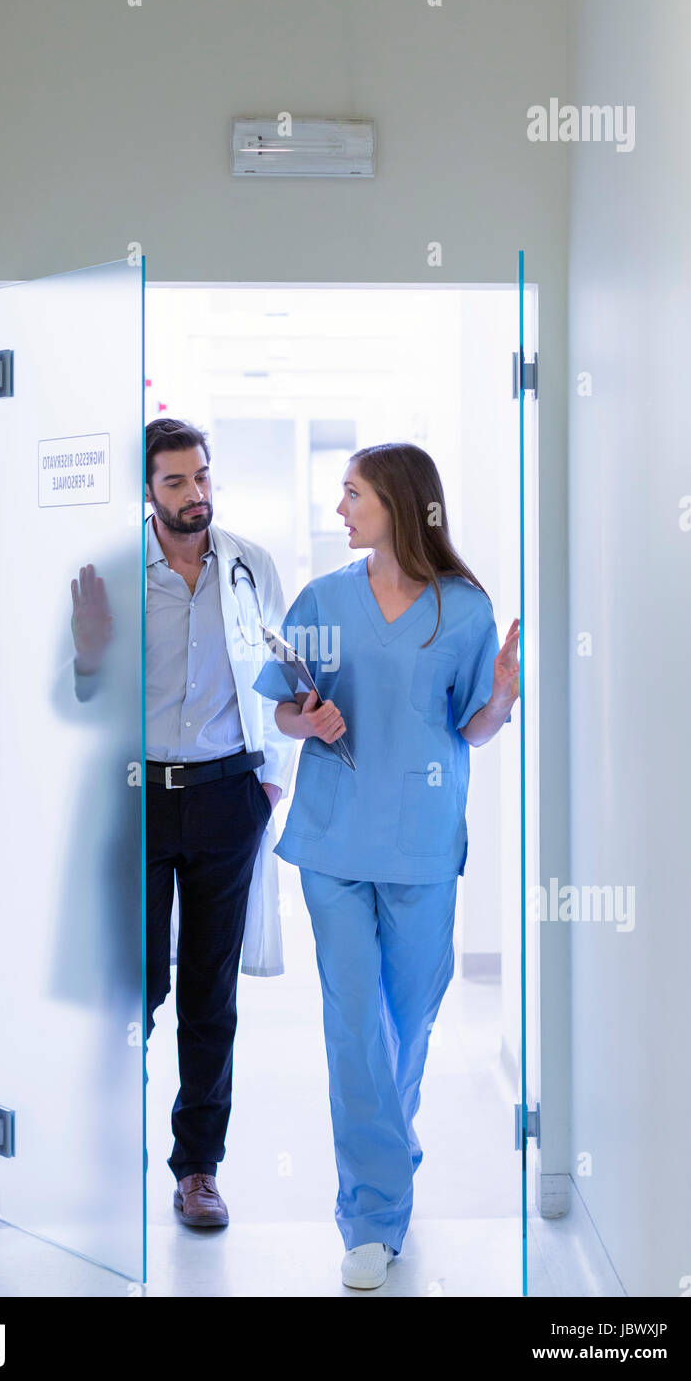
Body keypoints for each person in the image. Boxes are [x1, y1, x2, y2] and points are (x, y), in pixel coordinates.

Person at [252, 441, 519, 1289]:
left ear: (399, 504)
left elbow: (471, 728)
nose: (338, 510)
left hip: (422, 844)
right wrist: (311, 722)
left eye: (352, 494)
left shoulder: (464, 610)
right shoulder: (322, 600)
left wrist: (504, 693)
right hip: (332, 843)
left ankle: (388, 1143)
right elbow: (283, 714)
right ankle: (370, 1213)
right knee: (353, 1026)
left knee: (408, 1022)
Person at [70, 417, 294, 1229]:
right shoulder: (117, 572)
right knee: (135, 985)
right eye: (175, 482)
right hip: (137, 796)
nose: (195, 494)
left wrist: (268, 787)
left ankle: (197, 1169)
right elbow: (80, 700)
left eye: (201, 477)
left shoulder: (250, 566)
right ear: (147, 491)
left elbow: (280, 679)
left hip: (226, 796)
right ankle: (98, 1144)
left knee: (210, 991)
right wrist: (90, 655)